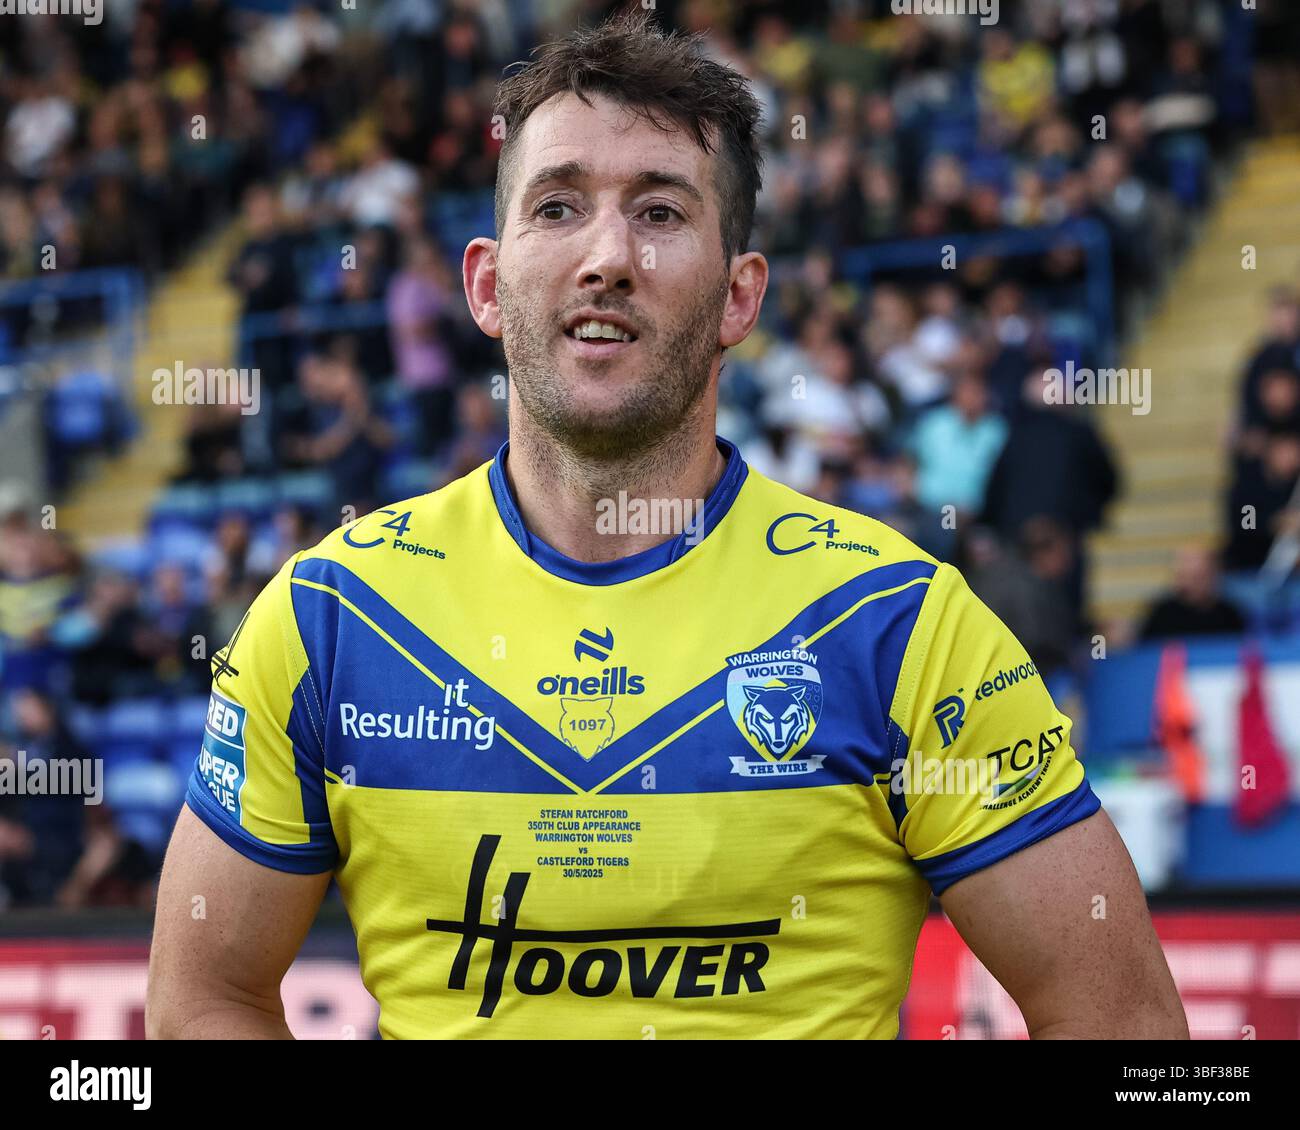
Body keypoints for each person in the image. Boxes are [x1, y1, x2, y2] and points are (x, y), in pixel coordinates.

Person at [149, 12, 1185, 1041]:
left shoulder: (895, 625)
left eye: (659, 212)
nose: (607, 257)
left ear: (740, 296)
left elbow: (1121, 1021)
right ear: (484, 284)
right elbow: (204, 997)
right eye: (556, 207)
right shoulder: (332, 620)